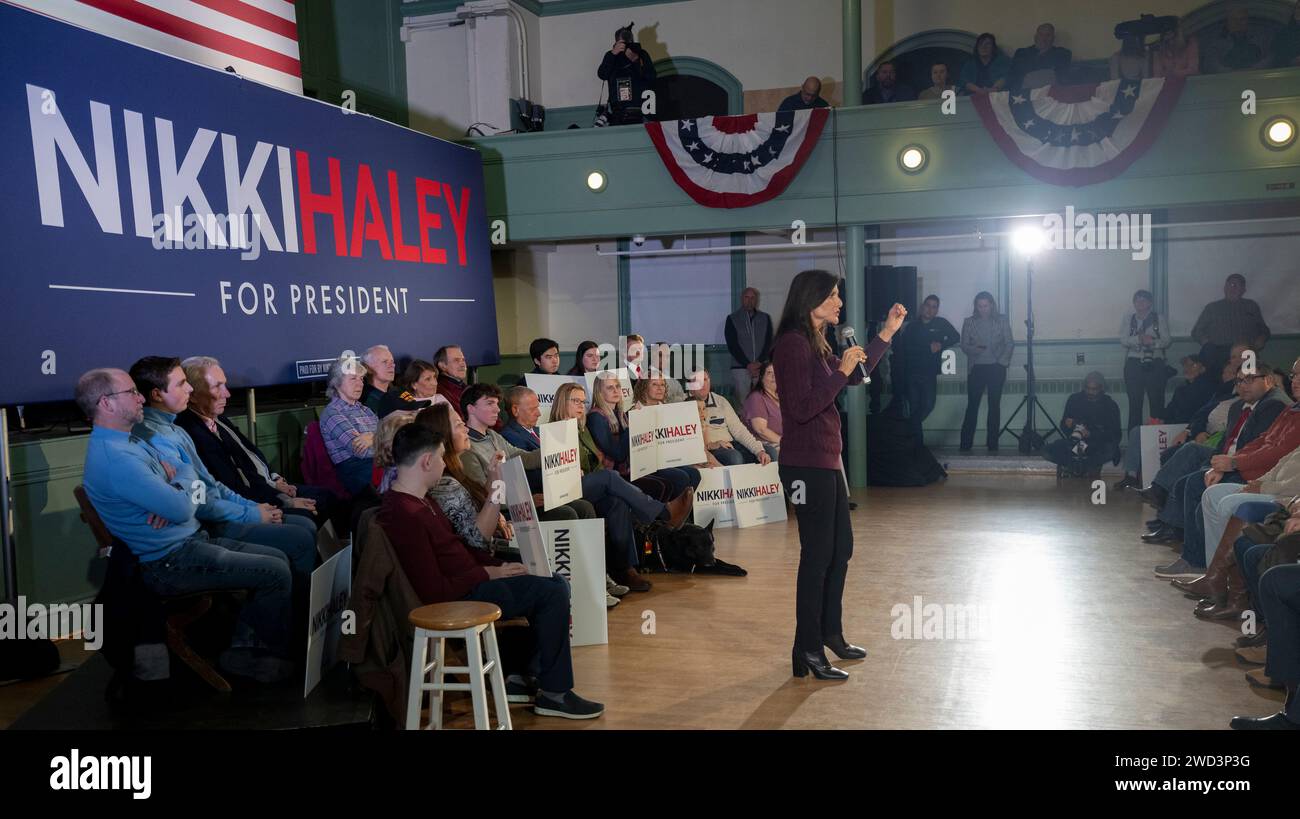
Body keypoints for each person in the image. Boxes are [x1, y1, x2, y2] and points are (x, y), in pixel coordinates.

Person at [77, 367, 294, 685]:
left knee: (279, 559)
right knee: (275, 573)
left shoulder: (130, 441)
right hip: (168, 561)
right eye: (132, 393)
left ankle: (247, 649)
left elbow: (180, 492)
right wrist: (178, 485)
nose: (141, 398)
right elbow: (182, 503)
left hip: (189, 540)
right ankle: (246, 657)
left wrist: (174, 488)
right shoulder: (117, 456)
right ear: (106, 403)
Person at [377, 423, 604, 719]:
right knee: (553, 590)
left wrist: (497, 566)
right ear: (427, 461)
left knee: (550, 579)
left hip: (472, 578)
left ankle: (526, 676)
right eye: (442, 458)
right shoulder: (405, 513)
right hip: (460, 595)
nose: (446, 465)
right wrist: (489, 574)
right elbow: (434, 591)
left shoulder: (421, 500)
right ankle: (554, 692)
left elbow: (459, 549)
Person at [772, 269, 905, 680]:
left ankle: (830, 633)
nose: (839, 303)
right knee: (816, 557)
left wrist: (885, 334)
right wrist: (840, 371)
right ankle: (806, 650)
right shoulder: (792, 344)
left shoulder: (817, 340)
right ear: (809, 299)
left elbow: (856, 377)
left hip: (827, 459)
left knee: (839, 551)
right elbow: (801, 407)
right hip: (803, 463)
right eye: (831, 296)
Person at [129, 357, 318, 580]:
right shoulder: (161, 436)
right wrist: (252, 513)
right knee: (296, 541)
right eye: (181, 384)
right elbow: (197, 502)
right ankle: (303, 611)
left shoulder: (174, 430)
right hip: (203, 529)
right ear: (157, 394)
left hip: (217, 514)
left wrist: (256, 507)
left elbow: (210, 484)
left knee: (304, 525)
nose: (188, 388)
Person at [550, 382, 691, 592]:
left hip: (587, 484)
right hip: (565, 488)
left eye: (583, 401)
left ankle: (626, 569)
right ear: (562, 402)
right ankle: (662, 512)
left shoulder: (581, 428)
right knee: (610, 476)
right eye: (575, 401)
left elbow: (595, 463)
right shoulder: (554, 431)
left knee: (618, 503)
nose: (581, 406)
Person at [175, 355, 335, 530]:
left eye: (225, 384)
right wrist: (282, 500)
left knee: (324, 497)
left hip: (264, 487)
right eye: (217, 387)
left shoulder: (219, 420)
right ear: (193, 395)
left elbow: (251, 457)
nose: (227, 393)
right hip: (244, 504)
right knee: (307, 518)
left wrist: (275, 480)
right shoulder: (191, 433)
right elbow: (234, 485)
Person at [587, 370, 701, 501]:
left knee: (694, 474)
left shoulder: (619, 414)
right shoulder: (596, 417)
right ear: (599, 392)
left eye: (617, 386)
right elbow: (618, 454)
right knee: (680, 478)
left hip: (636, 465)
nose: (615, 390)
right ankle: (669, 518)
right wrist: (635, 423)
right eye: (610, 387)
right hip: (618, 473)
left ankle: (676, 517)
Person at [897, 294, 960, 444]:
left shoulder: (941, 323)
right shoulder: (912, 326)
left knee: (928, 405)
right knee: (914, 407)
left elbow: (955, 336)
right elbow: (906, 348)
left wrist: (941, 344)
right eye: (928, 305)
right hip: (912, 373)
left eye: (934, 307)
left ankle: (908, 431)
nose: (930, 309)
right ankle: (917, 445)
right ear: (922, 306)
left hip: (930, 373)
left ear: (937, 310)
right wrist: (927, 347)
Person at [959, 291, 1014, 452]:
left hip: (996, 367)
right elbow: (964, 345)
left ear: (991, 305)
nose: (983, 309)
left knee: (994, 406)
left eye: (986, 305)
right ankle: (965, 444)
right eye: (980, 306)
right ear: (976, 306)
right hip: (976, 367)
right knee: (972, 406)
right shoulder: (969, 322)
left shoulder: (1002, 320)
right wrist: (974, 349)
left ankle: (992, 445)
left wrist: (1002, 363)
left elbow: (1009, 343)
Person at [319, 354, 380, 496]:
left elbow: (390, 437)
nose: (360, 384)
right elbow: (362, 451)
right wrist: (384, 439)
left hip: (377, 464)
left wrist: (372, 437)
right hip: (356, 470)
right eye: (353, 379)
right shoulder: (332, 413)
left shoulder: (365, 409)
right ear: (336, 383)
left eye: (361, 379)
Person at [1041, 372, 1122, 477]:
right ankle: (1083, 467)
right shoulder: (1074, 400)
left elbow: (1115, 434)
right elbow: (1064, 427)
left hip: (1097, 444)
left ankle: (1076, 467)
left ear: (1101, 388)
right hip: (1078, 444)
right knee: (1047, 450)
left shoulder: (1110, 405)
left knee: (1110, 450)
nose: (1090, 392)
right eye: (1087, 388)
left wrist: (1091, 434)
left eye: (1094, 389)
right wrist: (1067, 425)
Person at [1190, 274, 1270, 376]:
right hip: (1219, 352)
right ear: (1224, 287)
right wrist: (1207, 343)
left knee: (1247, 380)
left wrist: (1261, 339)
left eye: (1237, 285)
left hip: (1246, 352)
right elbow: (1196, 331)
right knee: (1217, 378)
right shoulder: (1212, 308)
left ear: (1243, 290)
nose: (1233, 288)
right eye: (1230, 285)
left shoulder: (1251, 306)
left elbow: (1264, 330)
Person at [689, 370, 771, 466]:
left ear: (710, 382)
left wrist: (759, 451)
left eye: (705, 380)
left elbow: (739, 430)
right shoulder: (683, 405)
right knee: (734, 458)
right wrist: (712, 445)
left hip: (731, 444)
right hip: (712, 448)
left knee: (770, 452)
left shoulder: (720, 401)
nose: (702, 384)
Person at [1120, 289, 1173, 430]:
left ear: (1150, 302)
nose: (1140, 302)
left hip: (1155, 361)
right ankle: (1134, 440)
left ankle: (1157, 440)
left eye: (1143, 299)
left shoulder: (1158, 318)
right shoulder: (1128, 319)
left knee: (1156, 401)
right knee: (1134, 403)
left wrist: (1152, 342)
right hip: (1134, 363)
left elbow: (1167, 341)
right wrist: (1138, 339)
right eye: (1137, 299)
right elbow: (1123, 340)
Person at [597, 22, 655, 126]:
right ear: (616, 41)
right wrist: (612, 54)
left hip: (641, 109)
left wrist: (636, 60)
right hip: (617, 112)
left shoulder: (641, 54)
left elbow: (652, 77)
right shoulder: (611, 55)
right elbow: (602, 75)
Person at [725, 287, 773, 404]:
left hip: (761, 367)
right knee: (743, 403)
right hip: (740, 368)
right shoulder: (732, 318)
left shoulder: (765, 318)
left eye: (752, 298)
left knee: (763, 401)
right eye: (747, 297)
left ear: (756, 300)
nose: (750, 300)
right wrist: (748, 364)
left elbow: (769, 342)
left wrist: (759, 363)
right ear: (742, 299)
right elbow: (732, 345)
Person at [361, 345, 431, 418]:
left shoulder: (399, 390)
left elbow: (415, 406)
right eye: (384, 362)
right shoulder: (366, 399)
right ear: (368, 368)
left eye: (392, 361)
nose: (392, 365)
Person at [1205, 5, 1271, 73]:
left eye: (1242, 19)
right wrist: (1230, 73)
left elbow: (1270, 58)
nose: (1238, 23)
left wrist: (1254, 70)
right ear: (1227, 20)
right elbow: (1210, 63)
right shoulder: (1217, 39)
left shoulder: (1260, 35)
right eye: (1234, 19)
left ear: (1247, 19)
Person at [1010, 23, 1072, 90]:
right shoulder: (1022, 53)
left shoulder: (1062, 53)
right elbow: (1015, 76)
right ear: (1035, 37)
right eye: (1041, 35)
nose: (1044, 38)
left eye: (1048, 35)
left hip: (1050, 93)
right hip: (1025, 93)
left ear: (1053, 38)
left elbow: (1061, 76)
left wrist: (1045, 52)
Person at [743, 361, 782, 462]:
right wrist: (784, 442)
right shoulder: (756, 397)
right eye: (769, 373)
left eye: (777, 372)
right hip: (765, 443)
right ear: (761, 378)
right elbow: (761, 430)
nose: (774, 376)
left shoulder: (783, 397)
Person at [433, 345, 471, 418]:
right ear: (442, 366)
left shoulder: (465, 387)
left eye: (463, 360)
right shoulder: (440, 391)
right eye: (456, 360)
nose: (463, 364)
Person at [1273, 1, 1300, 68]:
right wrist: (1293, 62)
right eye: (1298, 8)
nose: (1299, 11)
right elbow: (1277, 58)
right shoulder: (1284, 35)